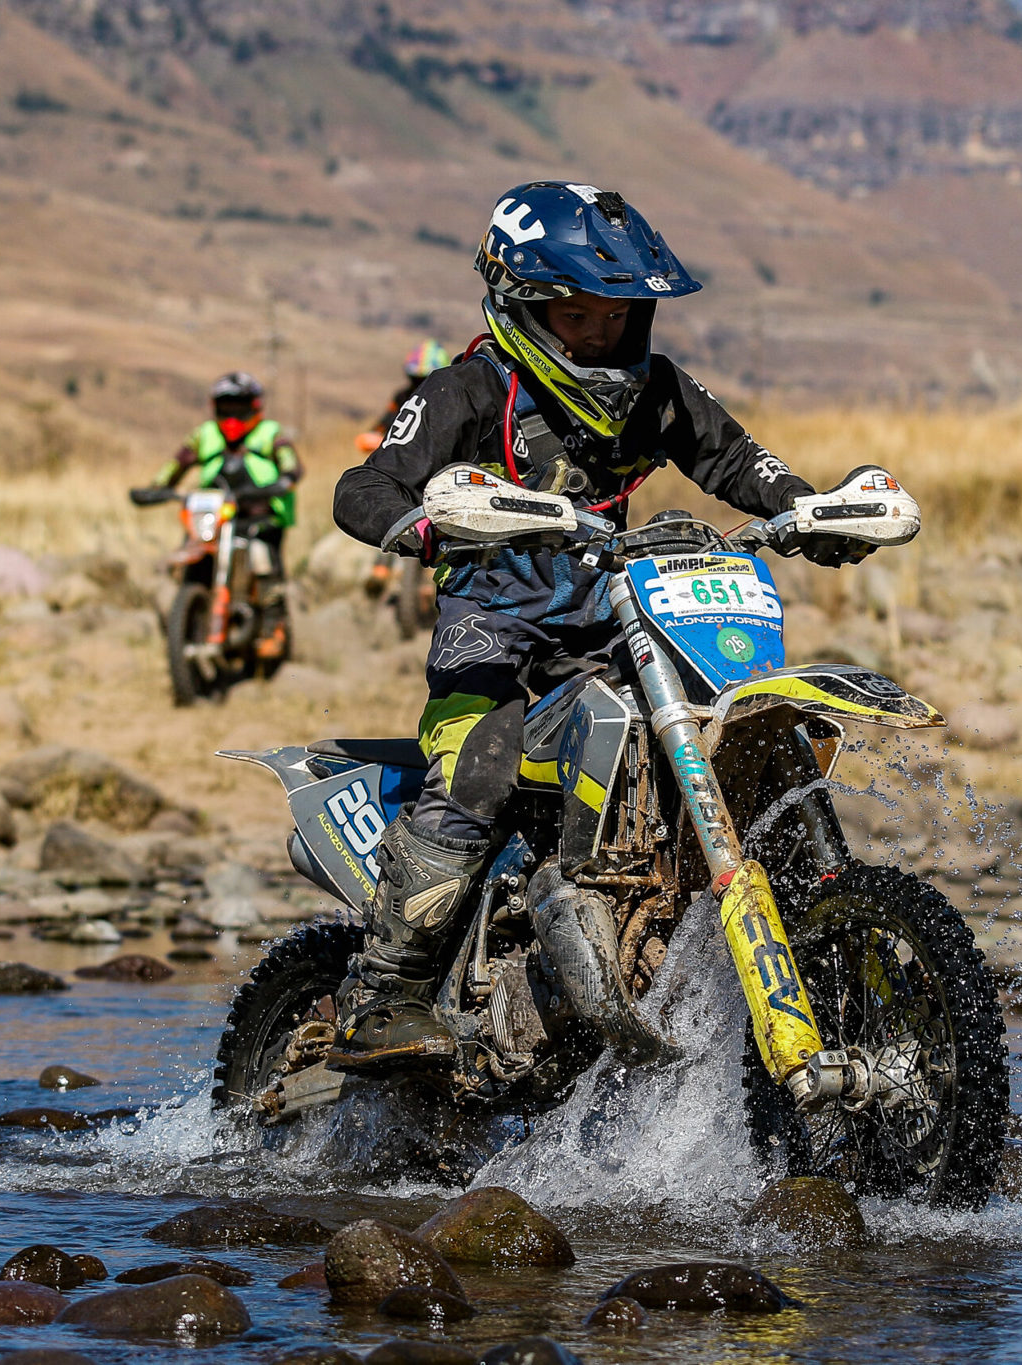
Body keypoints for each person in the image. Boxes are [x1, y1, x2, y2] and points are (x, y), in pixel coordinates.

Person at [329, 180, 857, 1070]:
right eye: (580, 316)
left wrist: (808, 507)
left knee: (728, 730)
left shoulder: (656, 389)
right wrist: (426, 523)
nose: (604, 335)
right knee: (479, 767)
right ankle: (381, 994)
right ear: (523, 307)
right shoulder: (467, 389)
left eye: (619, 316)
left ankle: (808, 939)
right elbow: (362, 487)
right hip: (493, 627)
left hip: (615, 621)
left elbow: (731, 456)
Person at [153, 372, 304, 652]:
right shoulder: (205, 435)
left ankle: (274, 626)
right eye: (227, 407)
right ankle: (188, 620)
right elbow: (177, 464)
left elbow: (291, 466)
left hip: (259, 514)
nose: (233, 415)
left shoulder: (270, 434)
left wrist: (284, 482)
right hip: (214, 515)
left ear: (255, 406)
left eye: (240, 406)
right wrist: (158, 487)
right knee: (190, 555)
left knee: (263, 558)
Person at [357, 341, 453, 631]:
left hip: (440, 479)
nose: (419, 386)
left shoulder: (451, 399)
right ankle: (380, 566)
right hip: (408, 476)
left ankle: (443, 575)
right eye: (415, 380)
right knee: (388, 508)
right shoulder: (401, 399)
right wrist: (374, 436)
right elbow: (383, 424)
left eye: (425, 380)